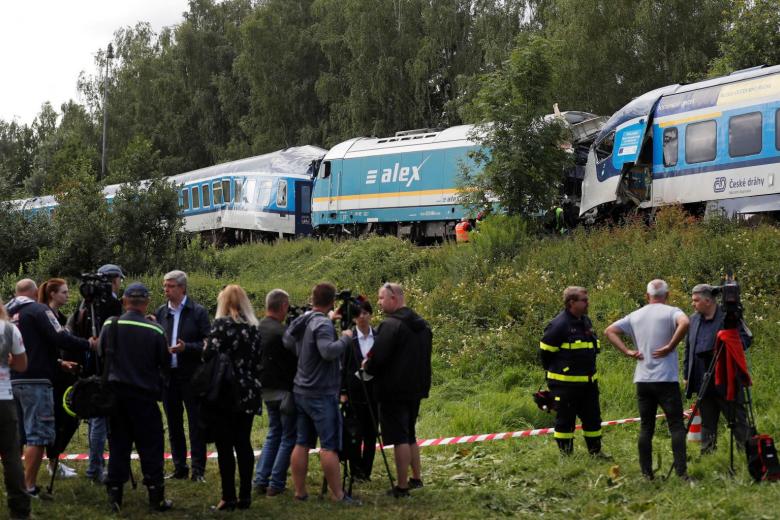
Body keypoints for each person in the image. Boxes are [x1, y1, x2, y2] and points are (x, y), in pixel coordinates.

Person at [7, 279, 96, 497]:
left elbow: (29, 347)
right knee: (38, 435)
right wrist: (89, 344)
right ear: (36, 291)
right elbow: (60, 336)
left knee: (17, 436)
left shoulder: (7, 312)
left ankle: (14, 484)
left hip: (10, 380)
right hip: (36, 381)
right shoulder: (38, 310)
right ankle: (27, 488)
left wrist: (57, 362)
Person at [604, 280, 690, 480]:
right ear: (667, 295)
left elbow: (609, 331)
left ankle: (646, 473)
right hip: (666, 379)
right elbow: (685, 322)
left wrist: (627, 351)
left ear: (646, 296)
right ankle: (681, 472)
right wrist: (670, 346)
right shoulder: (671, 312)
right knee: (676, 425)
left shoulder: (635, 315)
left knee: (646, 427)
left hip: (643, 379)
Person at [102, 282, 172, 513]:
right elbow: (165, 364)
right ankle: (156, 496)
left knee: (118, 445)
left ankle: (114, 496)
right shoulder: (156, 330)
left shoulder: (109, 325)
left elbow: (100, 355)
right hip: (144, 397)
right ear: (147, 303)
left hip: (115, 398)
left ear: (124, 301)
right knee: (151, 446)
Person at [283, 282, 354, 503]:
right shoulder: (322, 325)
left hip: (301, 389)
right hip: (321, 392)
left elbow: (287, 339)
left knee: (302, 442)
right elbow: (327, 352)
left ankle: (300, 491)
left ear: (313, 299)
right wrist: (346, 338)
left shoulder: (304, 318)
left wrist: (303, 355)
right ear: (332, 301)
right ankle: (337, 494)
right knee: (329, 446)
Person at [363, 283, 432, 497]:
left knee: (399, 438)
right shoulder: (423, 325)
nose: (379, 302)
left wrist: (366, 365)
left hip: (393, 390)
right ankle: (416, 478)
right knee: (410, 433)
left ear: (394, 298)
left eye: (381, 298)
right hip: (416, 388)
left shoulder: (390, 326)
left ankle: (402, 487)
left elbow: (377, 358)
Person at [202, 285, 263, 511]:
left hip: (225, 392)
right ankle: (245, 496)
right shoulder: (254, 328)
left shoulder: (220, 326)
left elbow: (208, 356)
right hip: (248, 391)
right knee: (243, 443)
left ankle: (228, 497)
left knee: (225, 446)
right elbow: (258, 362)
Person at [67, 263, 124, 483]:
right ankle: (95, 469)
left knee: (95, 419)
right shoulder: (110, 304)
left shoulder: (86, 303)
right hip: (106, 368)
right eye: (118, 280)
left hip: (89, 367)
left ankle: (96, 466)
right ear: (114, 280)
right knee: (100, 419)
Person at [154, 270, 210, 482]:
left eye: (170, 286)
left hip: (192, 376)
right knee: (174, 423)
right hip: (168, 376)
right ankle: (180, 467)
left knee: (196, 424)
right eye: (165, 286)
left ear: (182, 288)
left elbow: (208, 342)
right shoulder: (160, 312)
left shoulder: (198, 312)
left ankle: (198, 470)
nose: (166, 290)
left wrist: (187, 348)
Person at [684, 283, 752, 454]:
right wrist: (686, 374)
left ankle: (746, 453)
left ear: (708, 301)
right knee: (707, 422)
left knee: (737, 419)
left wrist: (730, 346)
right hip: (702, 381)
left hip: (727, 378)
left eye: (696, 300)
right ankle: (708, 454)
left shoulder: (728, 318)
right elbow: (688, 349)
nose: (693, 304)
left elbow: (746, 338)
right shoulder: (692, 320)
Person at [38, 279, 92, 480]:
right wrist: (87, 345)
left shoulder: (59, 316)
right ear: (52, 294)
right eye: (64, 292)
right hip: (53, 377)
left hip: (62, 375)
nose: (67, 295)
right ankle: (52, 462)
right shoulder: (46, 315)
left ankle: (54, 459)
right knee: (61, 419)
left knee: (67, 419)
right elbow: (53, 343)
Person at [539, 286, 603, 455]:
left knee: (593, 420)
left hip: (588, 385)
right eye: (584, 300)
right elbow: (545, 353)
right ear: (571, 302)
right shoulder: (559, 325)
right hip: (565, 387)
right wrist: (558, 376)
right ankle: (567, 456)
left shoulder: (585, 321)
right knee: (565, 422)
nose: (587, 303)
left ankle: (595, 452)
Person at [254, 289, 297, 497]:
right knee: (288, 436)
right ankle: (277, 482)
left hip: (265, 389)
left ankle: (261, 478)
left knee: (274, 434)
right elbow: (293, 361)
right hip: (283, 390)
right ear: (283, 307)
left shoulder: (259, 328)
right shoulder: (281, 333)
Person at [0, 297, 31, 519]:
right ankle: (19, 510)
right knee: (11, 455)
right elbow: (22, 365)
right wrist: (9, 360)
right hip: (3, 398)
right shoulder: (9, 329)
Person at [340, 299, 378, 482]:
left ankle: (366, 470)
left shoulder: (378, 337)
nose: (362, 317)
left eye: (365, 313)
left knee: (371, 433)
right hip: (354, 392)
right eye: (358, 314)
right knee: (355, 432)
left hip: (374, 391)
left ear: (371, 314)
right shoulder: (349, 339)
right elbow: (342, 366)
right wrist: (343, 391)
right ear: (354, 318)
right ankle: (355, 471)